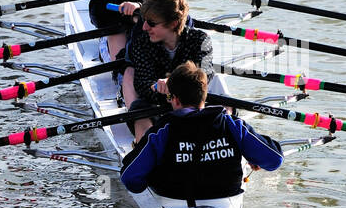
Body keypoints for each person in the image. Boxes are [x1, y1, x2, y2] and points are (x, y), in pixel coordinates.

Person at [121, 62, 283, 200]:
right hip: (224, 198)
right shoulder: (232, 125)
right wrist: (253, 156)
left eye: (170, 98)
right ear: (203, 97)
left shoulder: (162, 131)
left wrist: (152, 173)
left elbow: (130, 179)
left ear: (175, 99)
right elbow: (274, 160)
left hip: (175, 200)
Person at [123, 0, 212, 140]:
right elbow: (143, 84)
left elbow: (205, 74)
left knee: (226, 106)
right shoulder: (142, 42)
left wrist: (174, 84)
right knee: (139, 109)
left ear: (173, 23)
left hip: (193, 104)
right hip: (158, 106)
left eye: (151, 23)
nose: (144, 28)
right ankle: (145, 148)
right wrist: (159, 87)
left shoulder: (200, 40)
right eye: (144, 21)